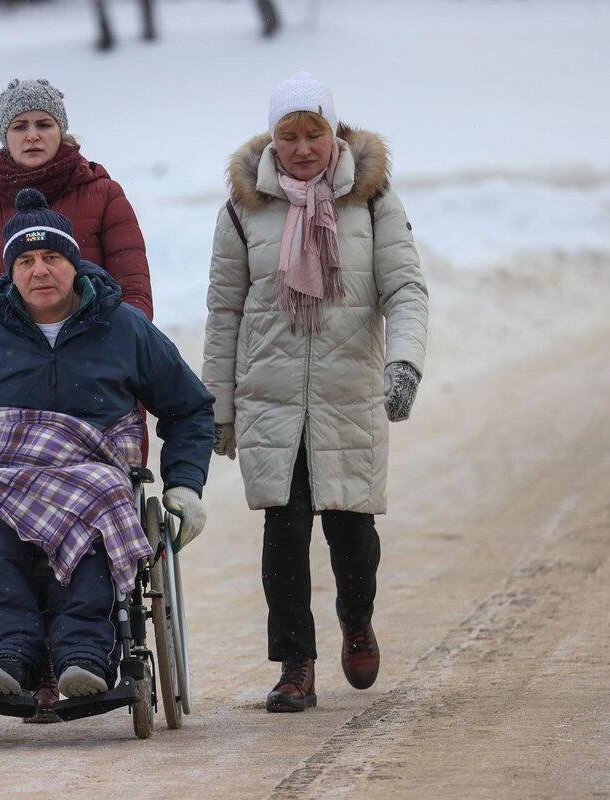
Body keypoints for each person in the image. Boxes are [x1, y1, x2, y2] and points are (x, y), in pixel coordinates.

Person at [0, 189, 214, 703]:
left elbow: (190, 406)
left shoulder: (123, 328)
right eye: (26, 260)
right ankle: (8, 654)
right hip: (1, 472)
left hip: (94, 469)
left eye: (51, 257)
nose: (39, 271)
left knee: (102, 498)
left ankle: (83, 656)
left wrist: (184, 485)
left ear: (74, 263)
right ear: (11, 271)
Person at [201, 72, 428, 712]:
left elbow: (405, 290)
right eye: (289, 136)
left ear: (335, 132)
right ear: (272, 139)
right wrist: (219, 406)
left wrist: (404, 364)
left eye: (314, 134)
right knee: (285, 533)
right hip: (270, 397)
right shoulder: (243, 212)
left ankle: (356, 620)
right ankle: (295, 663)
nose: (302, 148)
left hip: (349, 389)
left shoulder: (372, 201)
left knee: (353, 533)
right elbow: (224, 312)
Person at [0, 78, 152, 330]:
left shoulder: (105, 195)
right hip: (14, 361)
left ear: (61, 131)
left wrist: (114, 347)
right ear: (5, 136)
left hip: (100, 354)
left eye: (44, 124)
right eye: (19, 126)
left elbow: (135, 291)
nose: (32, 136)